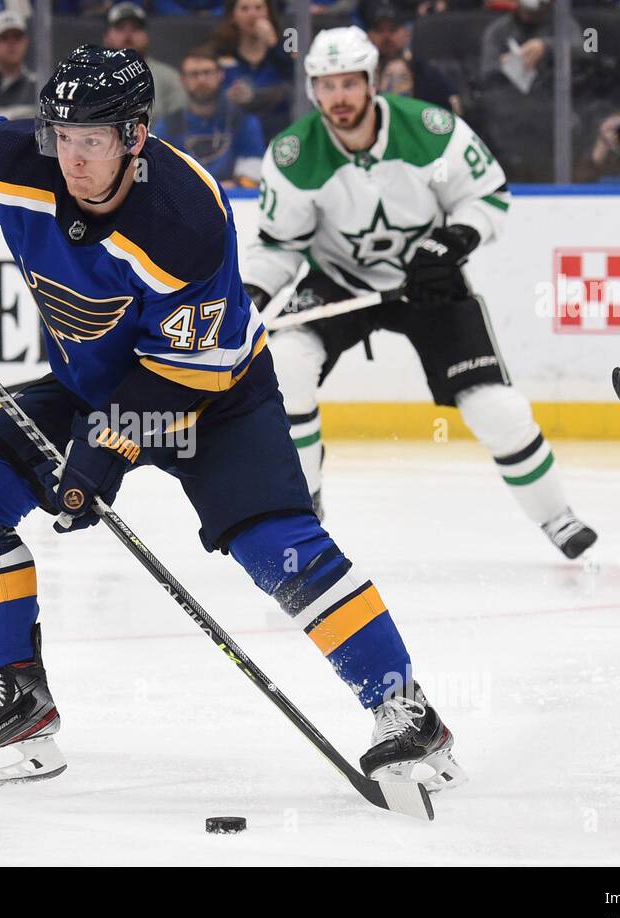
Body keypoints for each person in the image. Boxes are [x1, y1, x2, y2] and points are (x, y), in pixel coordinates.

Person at [0, 44, 466, 792]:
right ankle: (18, 697)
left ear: (134, 138)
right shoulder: (8, 157)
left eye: (93, 140)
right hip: (90, 385)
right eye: (60, 136)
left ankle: (407, 714)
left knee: (276, 546)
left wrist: (105, 449)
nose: (72, 159)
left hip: (216, 398)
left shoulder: (185, 217)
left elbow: (190, 372)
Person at [244, 28, 597, 558]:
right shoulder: (294, 154)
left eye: (348, 83)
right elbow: (278, 247)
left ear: (371, 82)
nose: (338, 98)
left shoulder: (432, 131)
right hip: (338, 280)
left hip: (428, 279)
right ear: (313, 90)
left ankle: (557, 517)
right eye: (326, 86)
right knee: (287, 366)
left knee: (495, 408)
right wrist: (250, 293)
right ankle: (305, 504)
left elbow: (488, 197)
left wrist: (453, 241)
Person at [152, 46, 263, 190]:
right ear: (183, 80)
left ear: (220, 75)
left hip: (236, 202)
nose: (201, 80)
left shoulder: (244, 122)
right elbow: (160, 177)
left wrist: (234, 185)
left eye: (207, 72)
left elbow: (252, 174)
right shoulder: (167, 126)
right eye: (194, 74)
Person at [210, 0, 294, 139]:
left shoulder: (286, 46)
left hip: (280, 130)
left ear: (269, 12)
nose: (252, 14)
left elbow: (296, 80)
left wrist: (274, 44)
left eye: (258, 8)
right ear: (233, 15)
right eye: (244, 9)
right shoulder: (220, 49)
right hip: (234, 132)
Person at [363, 0, 460, 114]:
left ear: (406, 32)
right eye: (379, 30)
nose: (386, 36)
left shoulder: (425, 71)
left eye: (392, 29)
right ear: (368, 35)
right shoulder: (361, 73)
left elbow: (453, 107)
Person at [102, 2, 184, 122]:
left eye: (135, 29)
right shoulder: (92, 76)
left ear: (147, 36)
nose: (128, 35)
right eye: (120, 28)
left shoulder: (169, 77)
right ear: (106, 36)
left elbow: (179, 122)